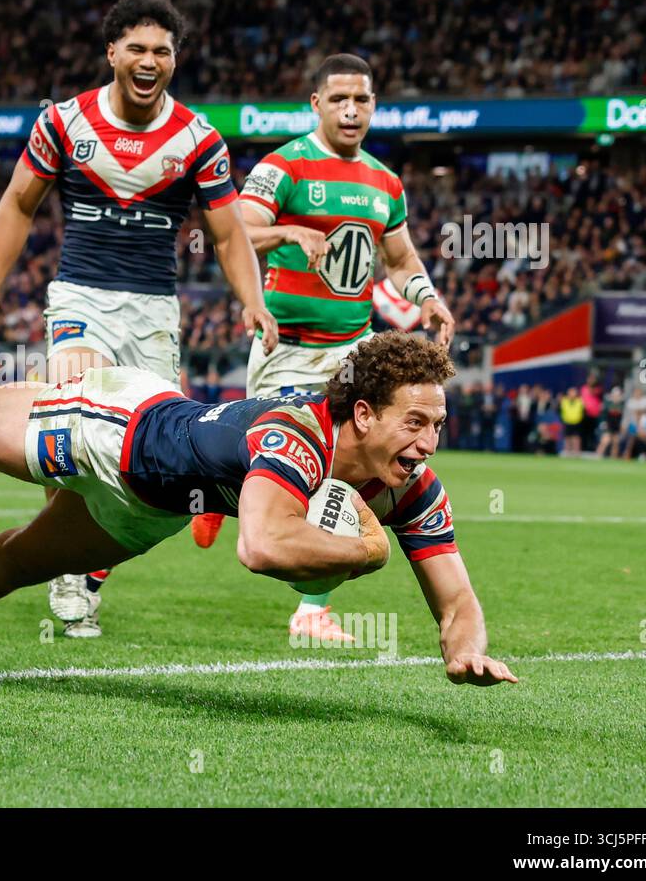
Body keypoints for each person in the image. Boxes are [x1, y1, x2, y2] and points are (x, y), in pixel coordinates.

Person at [0, 286, 517, 688]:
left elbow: (457, 599)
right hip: (118, 429)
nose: (429, 443)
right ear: (363, 414)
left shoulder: (412, 486)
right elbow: (263, 546)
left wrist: (464, 650)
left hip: (152, 508)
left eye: (438, 425)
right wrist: (368, 554)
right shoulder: (295, 434)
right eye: (416, 422)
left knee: (15, 565)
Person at [0, 0, 274, 638]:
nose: (148, 59)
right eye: (136, 47)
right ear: (112, 53)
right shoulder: (63, 124)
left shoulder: (199, 141)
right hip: (80, 298)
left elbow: (226, 235)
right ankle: (63, 570)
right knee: (69, 429)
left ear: (174, 61)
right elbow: (19, 206)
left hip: (154, 311)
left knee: (152, 464)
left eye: (161, 50)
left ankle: (86, 571)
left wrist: (253, 303)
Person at [192, 53, 456, 644]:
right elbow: (232, 231)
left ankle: (312, 607)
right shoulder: (284, 165)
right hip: (286, 346)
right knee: (274, 466)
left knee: (348, 476)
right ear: (316, 104)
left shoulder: (385, 181)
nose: (351, 110)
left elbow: (400, 256)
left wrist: (427, 296)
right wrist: (286, 230)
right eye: (339, 99)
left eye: (362, 100)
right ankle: (211, 495)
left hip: (354, 351)